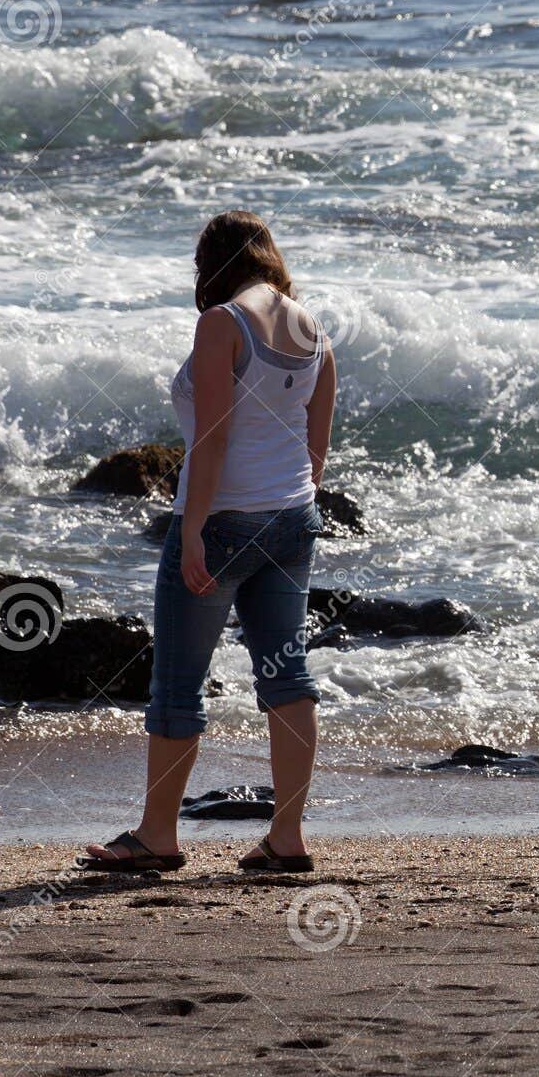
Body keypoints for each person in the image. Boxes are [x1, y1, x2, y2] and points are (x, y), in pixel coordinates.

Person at [81, 211, 337, 874]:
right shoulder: (315, 334)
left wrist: (192, 528)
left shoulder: (222, 322)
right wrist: (286, 514)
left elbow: (214, 437)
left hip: (223, 522)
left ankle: (158, 836)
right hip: (290, 522)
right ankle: (287, 837)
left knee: (177, 684)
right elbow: (316, 454)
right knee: (287, 675)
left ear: (213, 265)